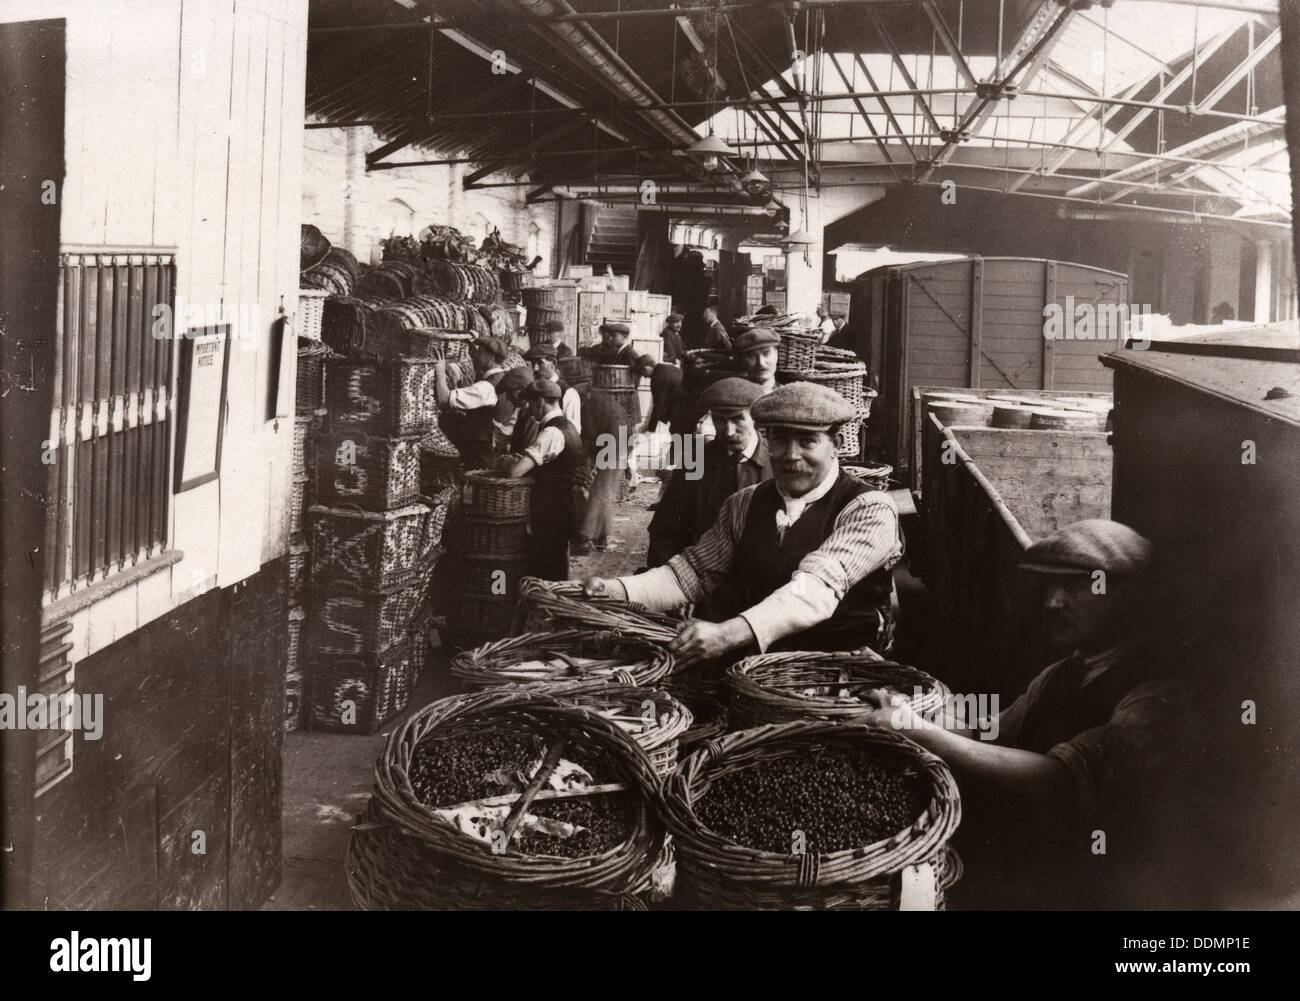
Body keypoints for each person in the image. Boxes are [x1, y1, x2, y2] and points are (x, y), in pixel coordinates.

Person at [862, 520, 1194, 909]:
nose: (1052, 602)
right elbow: (990, 730)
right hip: (1032, 867)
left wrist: (920, 729)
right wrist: (912, 708)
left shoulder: (1159, 695)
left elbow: (1061, 780)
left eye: (1074, 587)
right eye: (1049, 587)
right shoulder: (1062, 673)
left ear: (1129, 596)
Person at [583, 381, 903, 660]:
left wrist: (725, 635)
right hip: (757, 672)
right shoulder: (746, 502)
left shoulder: (868, 508)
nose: (790, 455)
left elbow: (815, 587)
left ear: (836, 444)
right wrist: (613, 589)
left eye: (807, 442)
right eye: (779, 440)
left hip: (837, 674)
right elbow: (691, 573)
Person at [646, 377, 771, 568]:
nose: (728, 431)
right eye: (720, 419)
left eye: (738, 418)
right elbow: (665, 531)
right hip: (701, 582)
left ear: (755, 417)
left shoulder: (778, 464)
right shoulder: (694, 464)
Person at [505, 379, 584, 581]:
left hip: (549, 513)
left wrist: (506, 463)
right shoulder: (570, 428)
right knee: (557, 565)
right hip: (564, 507)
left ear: (540, 402)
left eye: (531, 404)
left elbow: (516, 472)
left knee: (547, 569)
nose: (530, 410)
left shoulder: (551, 432)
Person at [574, 321, 642, 554]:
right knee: (608, 486)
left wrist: (587, 457)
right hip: (620, 434)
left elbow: (590, 431)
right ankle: (602, 535)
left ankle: (585, 536)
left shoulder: (586, 395)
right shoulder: (596, 392)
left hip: (614, 437)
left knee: (602, 487)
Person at [433, 334, 511, 469]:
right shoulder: (503, 377)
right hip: (490, 447)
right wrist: (477, 338)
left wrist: (440, 371)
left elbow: (444, 399)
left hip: (479, 453)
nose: (474, 356)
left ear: (490, 358)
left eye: (479, 352)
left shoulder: (486, 387)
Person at [523, 341, 581, 432]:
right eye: (533, 364)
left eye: (540, 363)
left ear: (553, 365)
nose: (535, 368)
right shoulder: (531, 388)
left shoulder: (568, 393)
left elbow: (573, 433)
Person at [732, 326, 780, 395]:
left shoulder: (788, 395)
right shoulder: (735, 395)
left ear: (776, 354)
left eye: (766, 353)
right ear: (742, 360)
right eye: (751, 356)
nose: (761, 362)